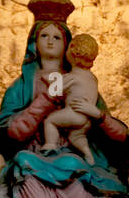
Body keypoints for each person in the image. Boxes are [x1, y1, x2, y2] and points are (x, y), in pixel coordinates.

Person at [0, 15, 129, 198]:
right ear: (34, 42)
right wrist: (46, 99)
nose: (50, 41)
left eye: (57, 37)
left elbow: (117, 135)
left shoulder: (80, 80)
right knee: (26, 172)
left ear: (68, 45)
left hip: (71, 153)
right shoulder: (22, 86)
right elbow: (14, 131)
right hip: (32, 153)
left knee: (75, 176)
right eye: (44, 35)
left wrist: (97, 116)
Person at [41, 34, 102, 164]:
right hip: (87, 118)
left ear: (73, 55)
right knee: (76, 136)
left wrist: (47, 78)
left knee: (50, 121)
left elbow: (54, 91)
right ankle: (88, 155)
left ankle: (50, 145)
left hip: (74, 113)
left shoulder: (72, 77)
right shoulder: (92, 78)